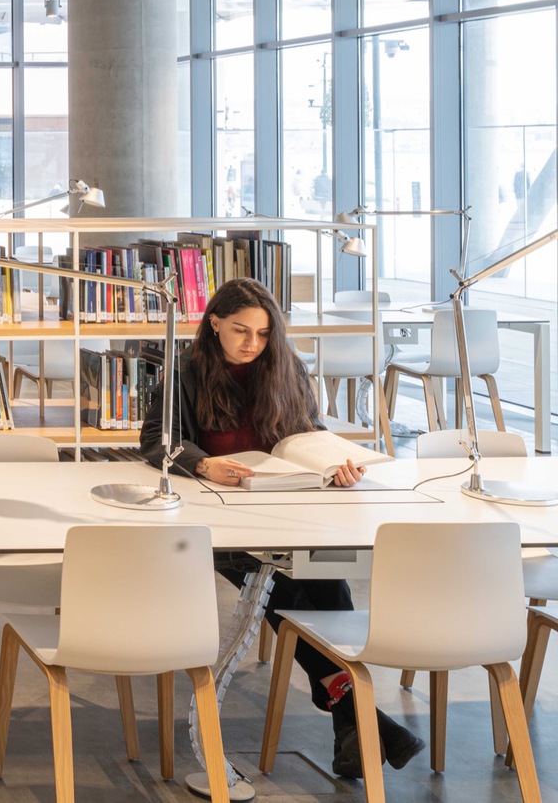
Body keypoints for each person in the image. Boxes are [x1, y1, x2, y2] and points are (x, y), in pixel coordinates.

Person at [141, 277, 422, 780]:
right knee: (277, 580)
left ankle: (351, 722)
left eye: (264, 333)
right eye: (240, 330)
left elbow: (310, 430)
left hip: (290, 505)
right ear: (214, 324)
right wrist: (205, 465)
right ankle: (361, 716)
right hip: (222, 522)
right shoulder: (185, 372)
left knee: (319, 575)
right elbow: (156, 442)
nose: (253, 343)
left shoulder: (286, 368)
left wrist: (336, 463)